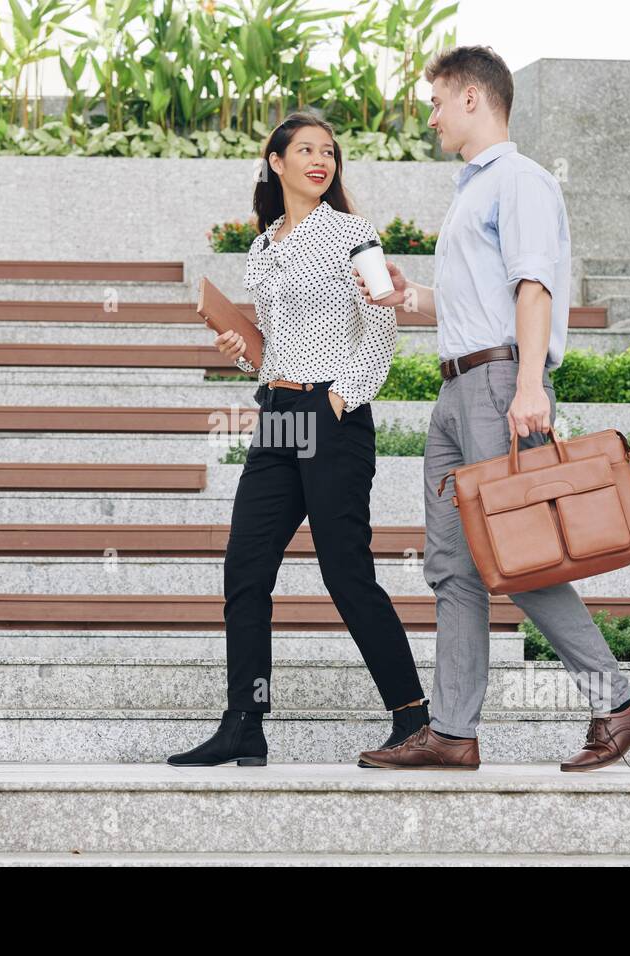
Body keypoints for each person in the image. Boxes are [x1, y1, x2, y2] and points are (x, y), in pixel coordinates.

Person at [355, 45, 630, 772]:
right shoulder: (471, 191)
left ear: (471, 98)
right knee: (453, 568)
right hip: (457, 390)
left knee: (520, 559)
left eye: (435, 102)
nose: (430, 117)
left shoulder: (520, 182)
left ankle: (616, 702)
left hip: (498, 386)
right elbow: (470, 302)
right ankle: (453, 731)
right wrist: (410, 299)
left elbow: (534, 289)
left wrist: (529, 385)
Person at [167, 112, 430, 768]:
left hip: (331, 417)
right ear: (276, 161)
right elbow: (271, 353)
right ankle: (244, 722)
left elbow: (384, 329)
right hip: (276, 416)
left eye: (329, 151)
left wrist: (340, 397)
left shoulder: (354, 234)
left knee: (346, 573)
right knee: (246, 569)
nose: (320, 159)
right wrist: (239, 350)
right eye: (305, 149)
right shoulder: (262, 248)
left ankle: (414, 718)